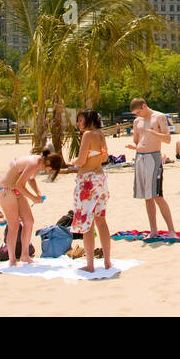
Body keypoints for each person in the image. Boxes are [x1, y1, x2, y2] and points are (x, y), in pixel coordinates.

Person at [0, 150, 63, 266]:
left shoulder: (38, 162)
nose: (48, 171)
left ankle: (24, 255)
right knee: (14, 225)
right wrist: (33, 198)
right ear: (48, 163)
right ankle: (12, 260)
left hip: (15, 191)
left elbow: (30, 179)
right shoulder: (34, 163)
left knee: (29, 221)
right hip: (5, 190)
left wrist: (38, 193)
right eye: (50, 169)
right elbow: (19, 184)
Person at [70, 109, 113, 271]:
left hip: (87, 180)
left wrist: (72, 161)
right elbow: (104, 157)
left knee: (86, 222)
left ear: (89, 121)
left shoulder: (87, 135)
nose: (79, 124)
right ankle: (107, 261)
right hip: (100, 178)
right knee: (101, 220)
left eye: (81, 121)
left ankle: (90, 264)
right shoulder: (100, 134)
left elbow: (81, 161)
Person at [129, 97, 178, 239]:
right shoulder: (137, 121)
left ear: (144, 106)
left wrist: (152, 133)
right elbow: (137, 140)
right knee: (147, 196)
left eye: (138, 111)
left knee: (157, 195)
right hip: (140, 156)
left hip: (154, 156)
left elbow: (167, 139)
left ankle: (171, 230)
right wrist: (135, 144)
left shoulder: (159, 117)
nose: (137, 115)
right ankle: (153, 230)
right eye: (135, 113)